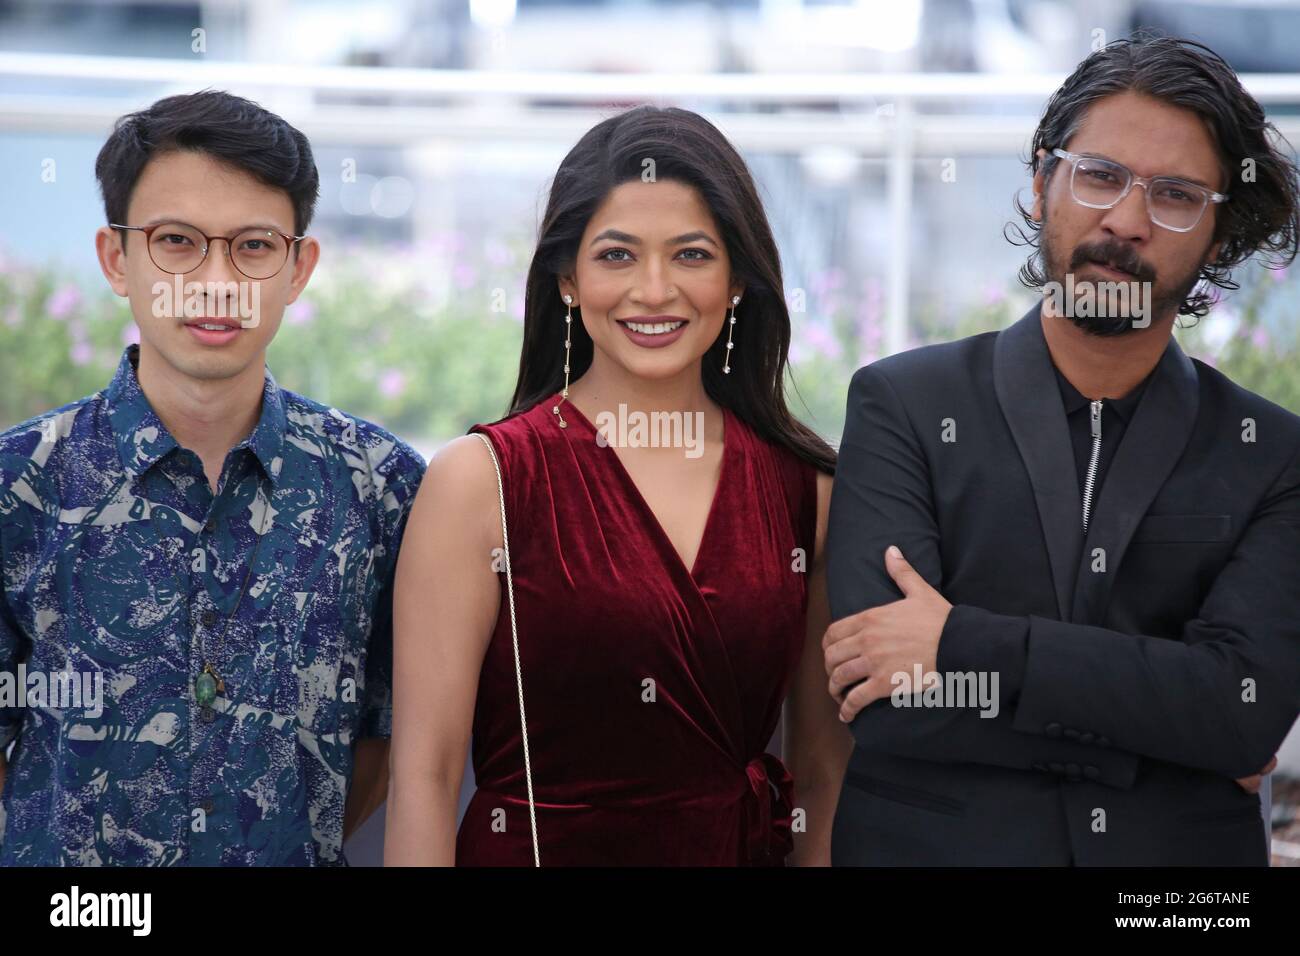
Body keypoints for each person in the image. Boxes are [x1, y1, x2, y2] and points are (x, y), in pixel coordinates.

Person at [825, 34, 1300, 865]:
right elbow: (890, 700)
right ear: (1044, 183)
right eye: (1100, 175)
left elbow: (1242, 710)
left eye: (1178, 195)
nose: (1126, 221)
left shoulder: (1272, 454)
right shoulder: (903, 403)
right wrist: (1168, 731)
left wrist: (965, 643)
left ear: (1221, 237)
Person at [386, 105, 851, 866]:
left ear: (738, 278)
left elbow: (822, 778)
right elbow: (424, 779)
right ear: (567, 279)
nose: (655, 289)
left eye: (692, 255)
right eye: (617, 256)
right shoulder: (479, 484)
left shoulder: (810, 492)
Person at [0, 91, 425, 865]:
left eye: (255, 246)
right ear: (114, 259)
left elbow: (389, 739)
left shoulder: (382, 488)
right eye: (177, 241)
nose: (216, 280)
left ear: (299, 267)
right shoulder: (19, 485)